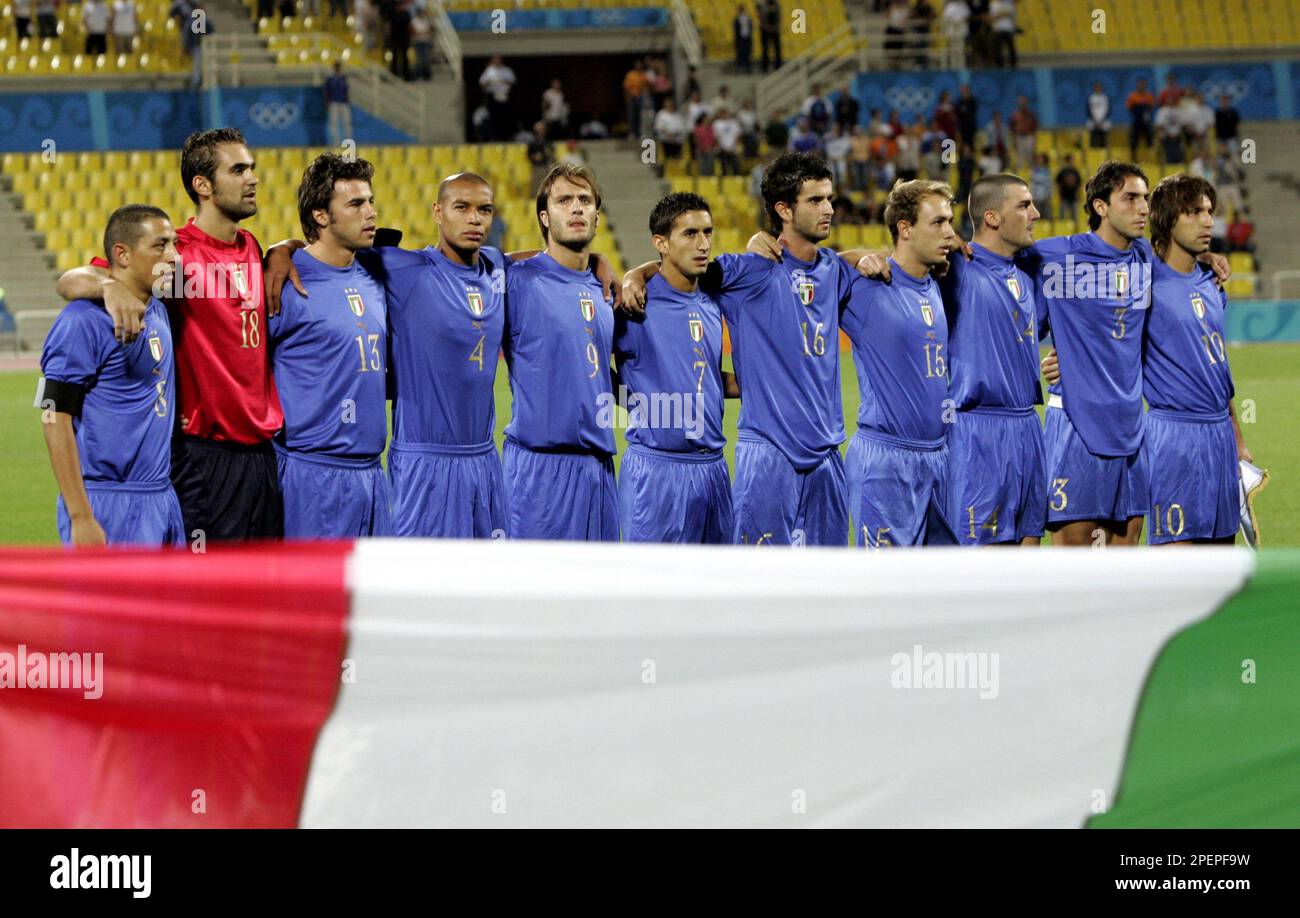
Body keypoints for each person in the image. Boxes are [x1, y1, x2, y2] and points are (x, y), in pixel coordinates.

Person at [623, 153, 874, 546]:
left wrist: (866, 255)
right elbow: (680, 266)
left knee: (828, 581)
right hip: (769, 451)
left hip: (828, 453)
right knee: (759, 580)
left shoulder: (834, 269)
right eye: (815, 200)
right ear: (783, 209)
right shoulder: (748, 269)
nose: (828, 208)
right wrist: (635, 273)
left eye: (829, 198)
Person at [56, 129, 285, 542]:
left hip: (261, 456)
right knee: (208, 596)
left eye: (251, 168)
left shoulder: (252, 246)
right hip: (204, 456)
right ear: (203, 185)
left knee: (262, 593)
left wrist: (286, 248)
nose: (252, 178)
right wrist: (107, 286)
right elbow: (75, 280)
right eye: (238, 170)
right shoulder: (177, 258)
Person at [39, 205, 185, 548]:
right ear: (122, 254)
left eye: (175, 245)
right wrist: (81, 516)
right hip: (107, 502)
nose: (174, 257)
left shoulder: (158, 308)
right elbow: (53, 416)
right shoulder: (82, 320)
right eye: (160, 246)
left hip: (161, 498)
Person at [1027, 161, 1155, 546]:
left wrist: (1211, 260)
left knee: (1125, 558)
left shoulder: (1148, 259)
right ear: (1101, 207)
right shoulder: (1056, 257)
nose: (1143, 208)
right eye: (1130, 198)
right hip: (1075, 425)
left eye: (1146, 198)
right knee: (1075, 562)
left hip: (1132, 429)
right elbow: (987, 261)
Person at [267, 155, 390, 538]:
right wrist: (281, 251)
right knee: (307, 597)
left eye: (370, 201)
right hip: (310, 476)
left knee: (377, 599)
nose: (370, 212)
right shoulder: (283, 284)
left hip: (373, 474)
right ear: (321, 215)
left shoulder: (376, 274)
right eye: (355, 204)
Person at [840, 180, 960, 547]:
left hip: (938, 458)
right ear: (905, 229)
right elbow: (803, 268)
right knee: (883, 593)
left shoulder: (938, 281)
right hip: (886, 463)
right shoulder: (866, 286)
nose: (950, 233)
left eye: (950, 221)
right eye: (937, 223)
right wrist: (855, 256)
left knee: (938, 590)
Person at [502, 164, 618, 540]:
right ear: (544, 217)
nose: (577, 208)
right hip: (539, 474)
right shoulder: (516, 281)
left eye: (585, 200)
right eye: (564, 200)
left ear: (597, 217)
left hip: (599, 472)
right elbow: (465, 266)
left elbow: (601, 374)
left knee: (600, 595)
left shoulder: (608, 292)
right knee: (534, 595)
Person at [614, 193, 736, 543]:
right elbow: (585, 364)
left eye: (708, 232)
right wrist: (634, 399)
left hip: (713, 469)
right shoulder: (636, 304)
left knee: (715, 591)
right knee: (653, 592)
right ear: (661, 243)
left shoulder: (712, 303)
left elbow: (708, 378)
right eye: (690, 234)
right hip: (657, 472)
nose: (703, 244)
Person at [1140, 174, 1250, 545]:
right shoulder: (1144, 280)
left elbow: (1218, 367)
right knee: (1179, 564)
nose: (1207, 221)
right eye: (1193, 212)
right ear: (1168, 219)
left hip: (1219, 435)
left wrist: (1237, 436)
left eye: (1208, 211)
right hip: (1174, 436)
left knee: (1222, 558)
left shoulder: (1211, 282)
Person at [943, 174, 1044, 545]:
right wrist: (868, 256)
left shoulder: (1028, 271)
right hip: (977, 432)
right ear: (992, 218)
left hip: (1028, 427)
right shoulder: (955, 266)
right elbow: (888, 261)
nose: (1035, 213)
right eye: (1024, 205)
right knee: (979, 564)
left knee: (1029, 555)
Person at [479, 54, 515, 140]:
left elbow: (512, 81)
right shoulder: (489, 70)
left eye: (498, 59)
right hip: (493, 97)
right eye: (495, 59)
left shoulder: (506, 70)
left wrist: (501, 80)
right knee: (493, 118)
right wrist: (490, 82)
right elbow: (482, 83)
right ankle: (494, 137)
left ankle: (506, 137)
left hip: (504, 96)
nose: (497, 61)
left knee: (505, 118)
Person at [323, 62, 352, 148]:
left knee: (347, 122)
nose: (338, 69)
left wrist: (348, 101)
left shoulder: (344, 78)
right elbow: (326, 92)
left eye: (339, 67)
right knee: (334, 123)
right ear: (334, 68)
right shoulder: (330, 79)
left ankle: (348, 142)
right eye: (336, 67)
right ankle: (335, 142)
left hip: (344, 102)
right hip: (333, 102)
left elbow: (347, 90)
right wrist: (327, 102)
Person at [1126, 77, 1155, 161]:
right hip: (1136, 121)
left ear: (1145, 86)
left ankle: (1150, 158)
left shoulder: (1149, 96)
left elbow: (1151, 108)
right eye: (1139, 84)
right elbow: (1130, 108)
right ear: (1136, 85)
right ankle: (1133, 157)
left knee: (1149, 138)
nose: (1141, 86)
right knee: (1134, 139)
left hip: (1146, 122)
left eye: (1143, 84)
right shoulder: (1132, 96)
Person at [654, 97, 687, 162]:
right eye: (669, 105)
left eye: (672, 105)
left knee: (677, 159)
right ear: (665, 106)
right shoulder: (661, 114)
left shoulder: (678, 115)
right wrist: (669, 135)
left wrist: (676, 135)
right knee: (667, 159)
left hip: (677, 141)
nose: (670, 106)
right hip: (666, 141)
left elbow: (682, 128)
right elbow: (660, 127)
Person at [1009, 95, 1037, 170]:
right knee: (1019, 158)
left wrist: (1034, 138)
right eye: (1020, 102)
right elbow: (1012, 128)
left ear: (1027, 103)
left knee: (1030, 156)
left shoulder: (1031, 114)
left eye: (1024, 102)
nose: (1022, 103)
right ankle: (1019, 176)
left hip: (1028, 137)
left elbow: (1034, 126)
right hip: (1019, 137)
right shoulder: (1015, 115)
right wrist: (1014, 139)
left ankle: (1032, 174)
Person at [623, 57, 648, 140]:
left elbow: (645, 87)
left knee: (640, 116)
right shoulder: (630, 74)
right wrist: (627, 98)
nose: (638, 66)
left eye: (640, 65)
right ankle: (632, 133)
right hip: (632, 97)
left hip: (640, 97)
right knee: (632, 116)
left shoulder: (643, 75)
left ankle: (640, 133)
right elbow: (626, 87)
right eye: (637, 65)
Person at [713, 107, 743, 176]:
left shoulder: (734, 123)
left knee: (736, 168)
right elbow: (716, 137)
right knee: (724, 168)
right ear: (720, 114)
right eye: (722, 113)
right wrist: (723, 147)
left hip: (733, 149)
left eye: (725, 113)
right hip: (722, 149)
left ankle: (736, 181)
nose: (724, 115)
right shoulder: (716, 123)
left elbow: (738, 135)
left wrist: (734, 146)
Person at [941, 0, 970, 69]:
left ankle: (962, 66)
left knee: (962, 50)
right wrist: (954, 23)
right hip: (952, 31)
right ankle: (953, 66)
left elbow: (967, 16)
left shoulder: (963, 5)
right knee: (953, 49)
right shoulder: (949, 6)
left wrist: (961, 21)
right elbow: (946, 18)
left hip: (961, 31)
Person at [1054, 152, 1081, 223]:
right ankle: (1061, 229)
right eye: (1071, 159)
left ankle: (1075, 231)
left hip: (1073, 196)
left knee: (1075, 217)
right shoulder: (1062, 171)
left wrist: (1078, 194)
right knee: (1062, 216)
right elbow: (1058, 183)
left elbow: (1079, 184)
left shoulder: (1075, 171)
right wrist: (1060, 194)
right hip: (1064, 196)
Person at [989, 0, 1016, 67]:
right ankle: (1000, 65)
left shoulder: (1009, 2)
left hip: (1008, 28)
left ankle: (1013, 64)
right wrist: (1002, 14)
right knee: (998, 48)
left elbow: (1011, 14)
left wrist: (1000, 15)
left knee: (1011, 47)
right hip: (998, 28)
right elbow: (992, 17)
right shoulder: (993, 3)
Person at [1086, 81, 1111, 149]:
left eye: (1099, 87)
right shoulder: (1091, 98)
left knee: (1104, 139)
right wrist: (1095, 121)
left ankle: (1104, 152)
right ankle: (1093, 153)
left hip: (1103, 121)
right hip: (1093, 121)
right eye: (1096, 87)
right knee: (1093, 138)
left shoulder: (1105, 97)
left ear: (1101, 88)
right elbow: (1088, 110)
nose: (1098, 88)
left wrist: (1101, 121)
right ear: (1094, 88)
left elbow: (1108, 110)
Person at [758, 0, 781, 72]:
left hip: (774, 29)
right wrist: (767, 27)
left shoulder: (776, 4)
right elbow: (761, 17)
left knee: (777, 48)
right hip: (765, 30)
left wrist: (775, 27)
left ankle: (778, 65)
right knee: (765, 49)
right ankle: (765, 66)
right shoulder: (763, 5)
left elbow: (779, 16)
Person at [955, 82, 977, 148]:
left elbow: (972, 112)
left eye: (965, 90)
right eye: (963, 90)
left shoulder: (973, 101)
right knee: (962, 145)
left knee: (971, 145)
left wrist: (965, 110)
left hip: (971, 128)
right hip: (962, 128)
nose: (964, 91)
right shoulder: (959, 101)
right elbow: (957, 112)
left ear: (968, 90)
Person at [733, 5, 753, 72]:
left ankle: (747, 66)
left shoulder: (748, 19)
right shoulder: (737, 19)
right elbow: (735, 30)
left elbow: (751, 28)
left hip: (747, 38)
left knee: (747, 52)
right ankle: (741, 66)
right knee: (740, 53)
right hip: (740, 39)